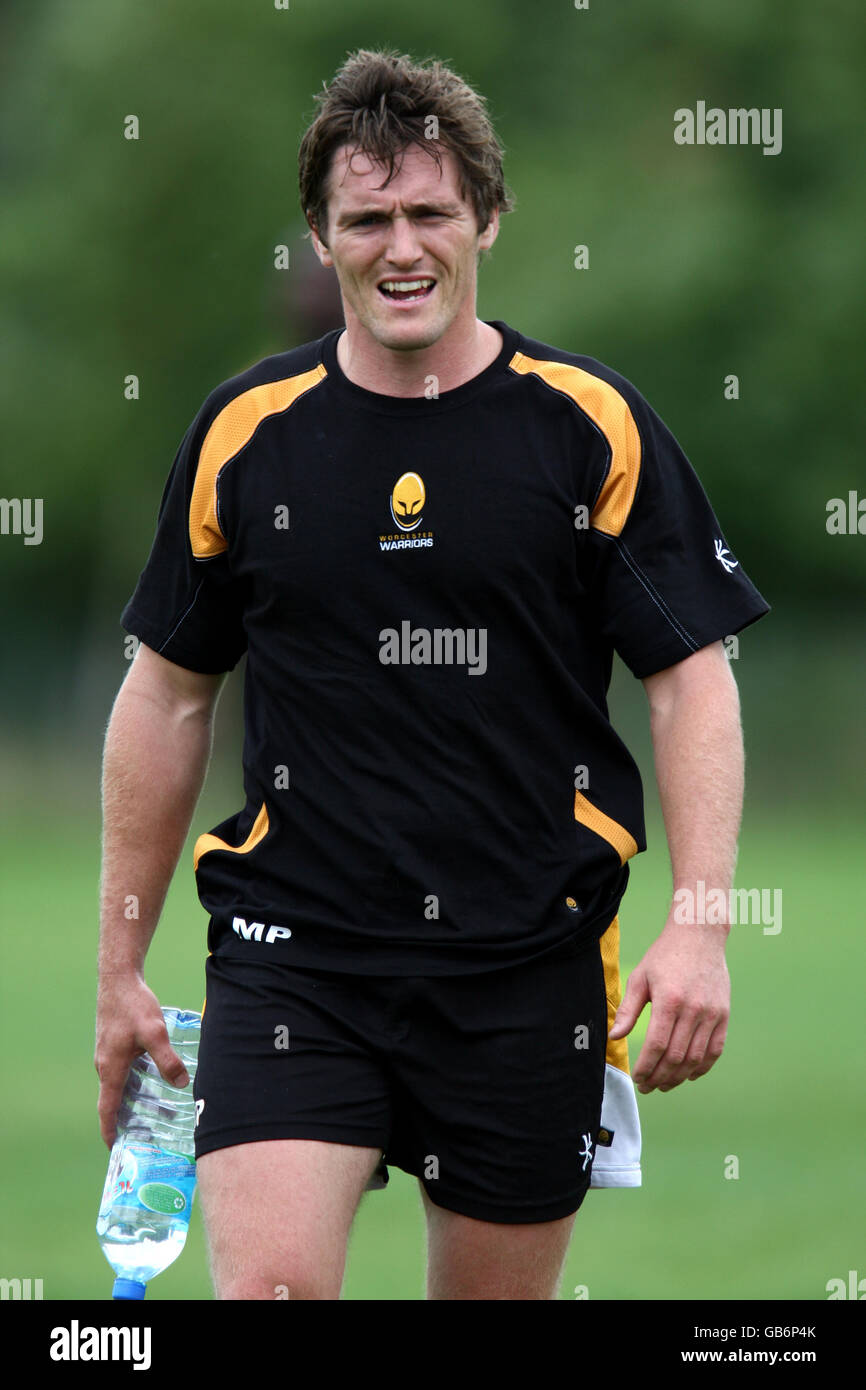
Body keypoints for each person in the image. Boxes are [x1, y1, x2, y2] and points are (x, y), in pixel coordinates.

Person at [95, 47, 770, 1301]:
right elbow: (167, 692)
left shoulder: (588, 424)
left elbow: (690, 676)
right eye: (366, 219)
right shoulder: (246, 435)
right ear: (320, 235)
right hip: (293, 950)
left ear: (487, 220)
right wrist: (114, 971)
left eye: (428, 213)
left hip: (527, 957)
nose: (399, 247)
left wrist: (702, 921)